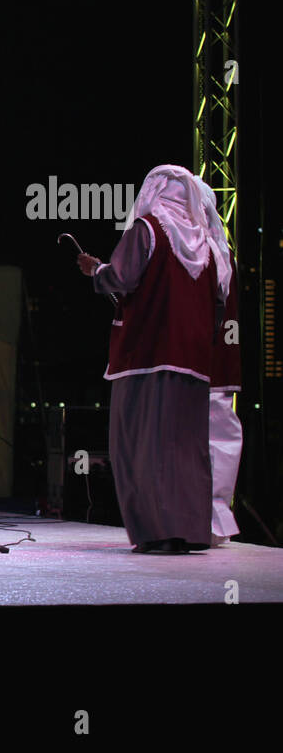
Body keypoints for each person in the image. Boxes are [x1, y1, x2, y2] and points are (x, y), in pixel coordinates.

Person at [76, 165, 230, 553]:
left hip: (146, 356)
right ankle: (189, 531)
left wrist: (96, 271)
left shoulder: (148, 228)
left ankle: (156, 533)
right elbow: (218, 301)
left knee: (141, 445)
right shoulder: (209, 244)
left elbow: (122, 278)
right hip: (193, 362)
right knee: (186, 449)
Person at [197, 178, 241, 546]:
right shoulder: (218, 252)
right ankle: (209, 522)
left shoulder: (205, 252)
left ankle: (210, 522)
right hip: (208, 364)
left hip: (202, 363)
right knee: (215, 438)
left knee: (214, 438)